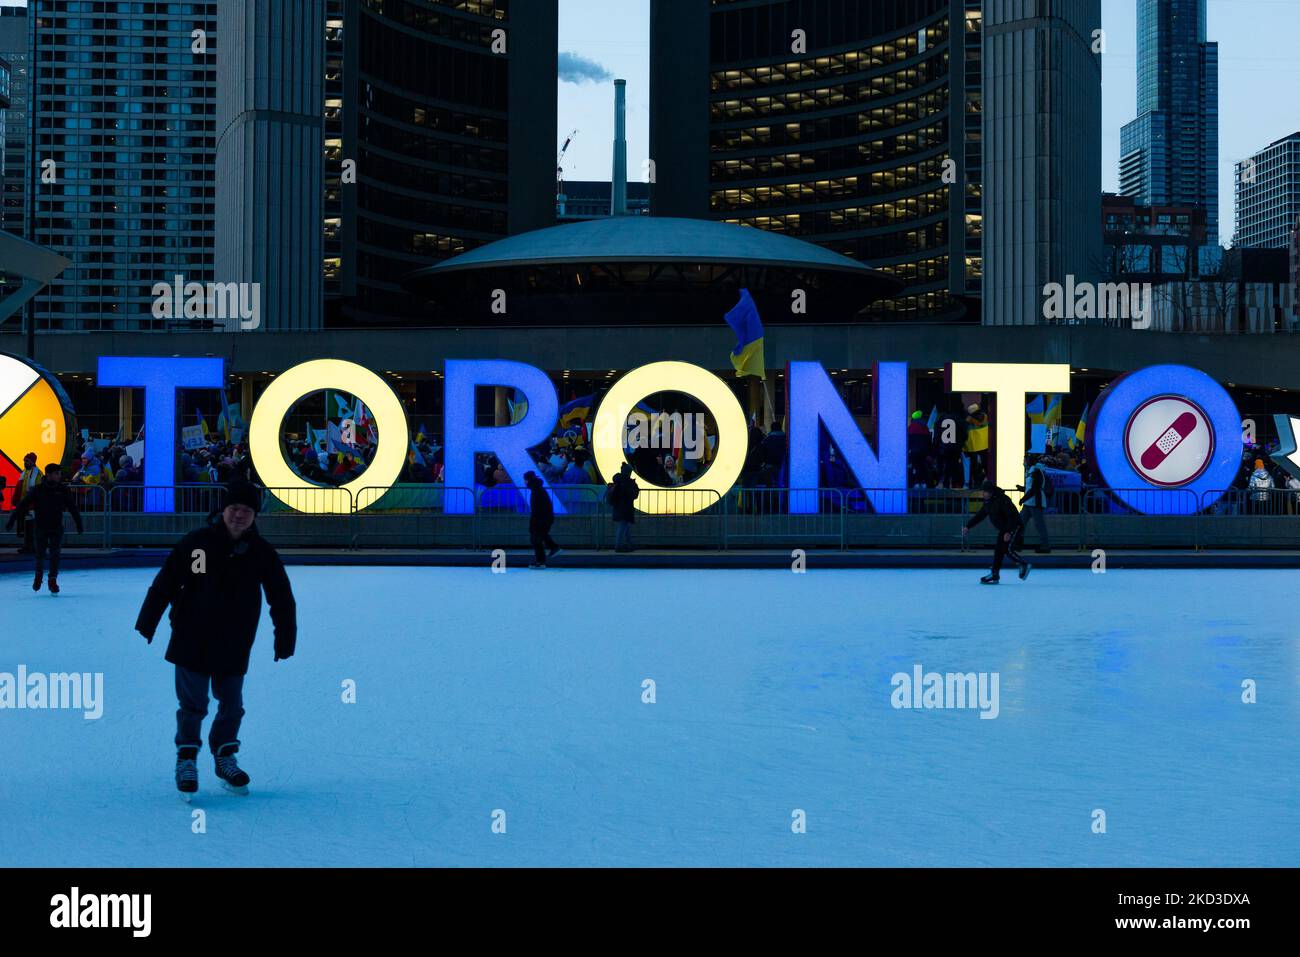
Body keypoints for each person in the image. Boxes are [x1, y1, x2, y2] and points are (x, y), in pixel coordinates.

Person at [134, 481, 297, 799]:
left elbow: (281, 597)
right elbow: (167, 581)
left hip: (234, 641)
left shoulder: (260, 553)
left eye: (247, 511)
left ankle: (225, 756)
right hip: (192, 636)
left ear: (254, 516)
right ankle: (186, 759)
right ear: (223, 510)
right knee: (192, 705)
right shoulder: (198, 545)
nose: (239, 516)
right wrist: (148, 621)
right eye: (235, 509)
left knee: (232, 705)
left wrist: (285, 638)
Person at [5, 462, 84, 594]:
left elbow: (72, 507)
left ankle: (52, 579)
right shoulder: (38, 489)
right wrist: (12, 520)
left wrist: (79, 524)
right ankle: (38, 576)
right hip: (41, 527)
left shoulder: (63, 489)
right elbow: (22, 505)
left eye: (59, 473)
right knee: (40, 554)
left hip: (56, 527)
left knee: (55, 554)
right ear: (48, 475)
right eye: (56, 474)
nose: (59, 476)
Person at [962, 480, 1031, 584]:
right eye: (982, 492)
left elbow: (1012, 516)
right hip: (1004, 528)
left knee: (1007, 549)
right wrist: (968, 526)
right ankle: (995, 574)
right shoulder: (988, 502)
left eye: (984, 492)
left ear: (990, 492)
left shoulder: (1002, 500)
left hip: (1014, 526)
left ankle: (1023, 564)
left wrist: (1008, 531)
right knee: (999, 550)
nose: (982, 494)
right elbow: (980, 515)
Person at [1017, 453, 1051, 554]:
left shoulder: (1036, 472)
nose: (1023, 462)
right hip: (1029, 503)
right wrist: (1022, 489)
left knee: (1039, 525)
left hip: (1036, 502)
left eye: (1024, 460)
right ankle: (1017, 544)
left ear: (1029, 461)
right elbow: (1031, 488)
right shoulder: (1031, 471)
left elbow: (1035, 489)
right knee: (1020, 523)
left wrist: (1023, 498)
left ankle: (1045, 546)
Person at [523, 471, 559, 568]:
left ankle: (541, 560)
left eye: (525, 480)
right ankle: (552, 549)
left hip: (541, 519)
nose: (524, 482)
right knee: (540, 536)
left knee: (536, 539)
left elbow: (536, 509)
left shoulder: (536, 491)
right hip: (545, 518)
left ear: (528, 480)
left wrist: (533, 522)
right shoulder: (538, 489)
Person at [13, 452, 43, 552]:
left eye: (27, 461)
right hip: (25, 503)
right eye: (24, 461)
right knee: (26, 526)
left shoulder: (37, 473)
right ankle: (27, 546)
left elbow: (38, 489)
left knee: (32, 526)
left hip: (32, 504)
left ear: (32, 462)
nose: (25, 463)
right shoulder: (25, 472)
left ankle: (33, 546)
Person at [607, 462, 640, 553]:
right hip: (626, 508)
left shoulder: (617, 481)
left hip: (618, 507)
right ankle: (618, 545)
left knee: (625, 526)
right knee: (623, 526)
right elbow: (633, 494)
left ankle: (629, 544)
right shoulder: (628, 483)